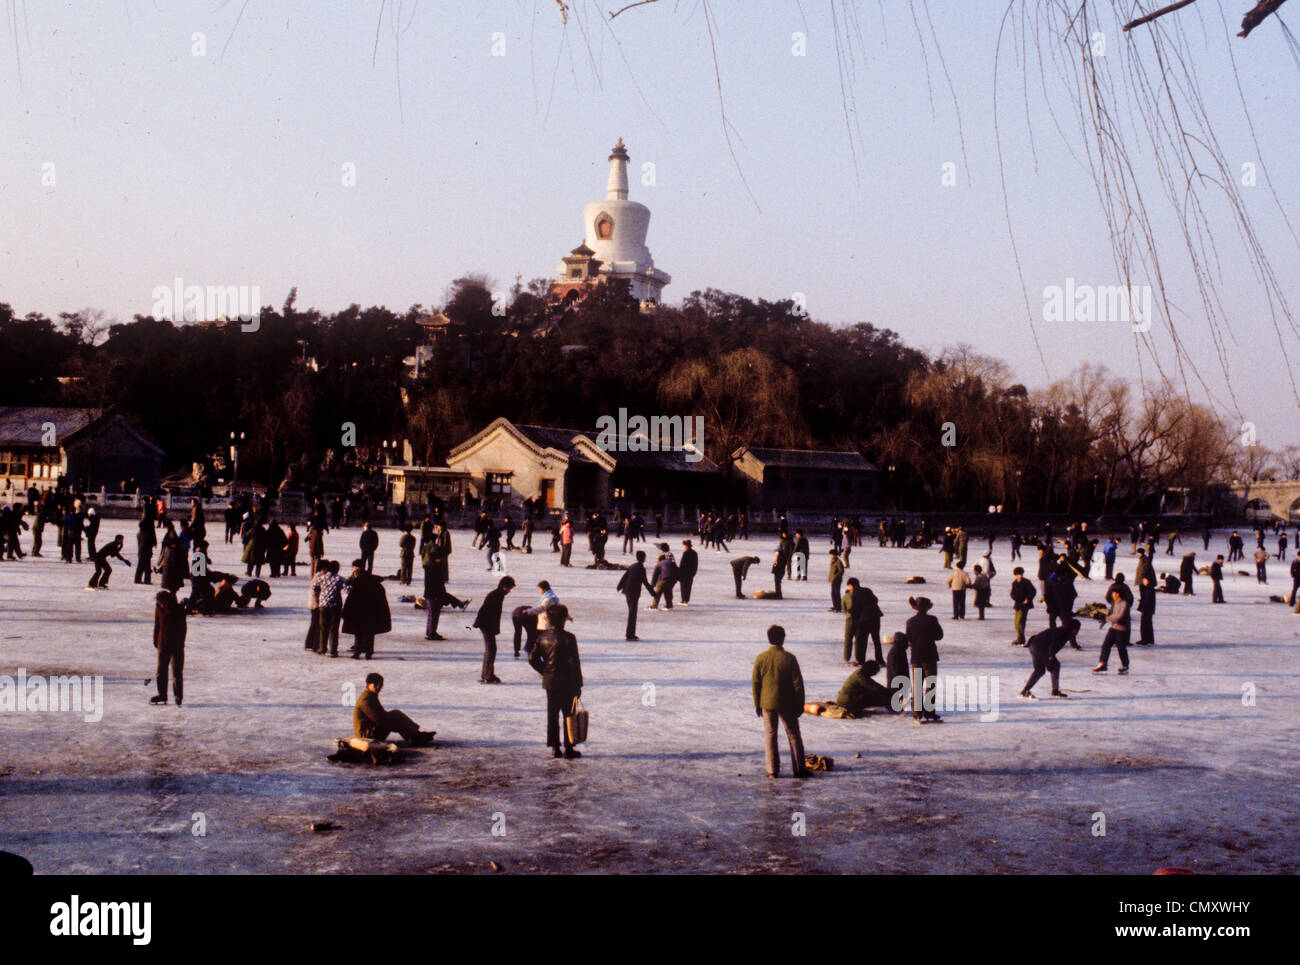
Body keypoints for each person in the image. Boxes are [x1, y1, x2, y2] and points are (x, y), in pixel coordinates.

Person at [751, 625, 809, 778]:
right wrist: (800, 704)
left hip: (767, 703)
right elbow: (798, 684)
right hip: (787, 703)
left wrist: (757, 704)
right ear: (783, 638)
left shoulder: (761, 658)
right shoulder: (789, 658)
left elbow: (756, 683)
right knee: (793, 735)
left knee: (770, 735)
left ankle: (772, 770)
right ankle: (799, 768)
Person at [528, 604, 584, 759]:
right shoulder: (569, 638)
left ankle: (554, 747)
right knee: (569, 715)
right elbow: (574, 663)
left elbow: (532, 658)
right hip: (567, 682)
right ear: (563, 620)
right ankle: (569, 747)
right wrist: (578, 684)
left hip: (550, 682)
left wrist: (544, 671)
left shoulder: (542, 637)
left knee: (552, 715)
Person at [353, 673, 436, 745]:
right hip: (366, 736)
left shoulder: (371, 695)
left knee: (395, 716)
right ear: (368, 684)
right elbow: (378, 719)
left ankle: (416, 736)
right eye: (375, 685)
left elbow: (380, 716)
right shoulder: (366, 699)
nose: (378, 687)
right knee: (395, 716)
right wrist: (397, 724)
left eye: (380, 685)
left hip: (371, 730)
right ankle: (416, 736)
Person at [1019, 619, 1081, 699]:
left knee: (1040, 670)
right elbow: (1053, 643)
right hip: (1039, 647)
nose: (1077, 632)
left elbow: (1069, 641)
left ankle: (1026, 690)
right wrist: (1049, 658)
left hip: (1034, 644)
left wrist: (1076, 646)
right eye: (1077, 630)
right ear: (1073, 629)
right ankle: (1055, 691)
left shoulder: (1065, 631)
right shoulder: (1063, 633)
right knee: (1054, 665)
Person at [342, 559, 391, 659]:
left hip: (359, 612)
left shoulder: (356, 583)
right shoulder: (374, 582)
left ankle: (357, 653)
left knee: (358, 632)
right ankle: (369, 653)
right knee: (370, 633)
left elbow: (351, 599)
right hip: (372, 613)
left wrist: (345, 612)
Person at [905, 597, 943, 723]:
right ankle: (929, 711)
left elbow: (908, 639)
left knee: (917, 686)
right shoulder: (932, 620)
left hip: (916, 656)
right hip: (930, 656)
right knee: (931, 685)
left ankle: (917, 713)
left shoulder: (910, 621)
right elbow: (939, 636)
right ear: (927, 608)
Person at [473, 576, 515, 684]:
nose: (509, 591)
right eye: (509, 588)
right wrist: (489, 627)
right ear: (504, 587)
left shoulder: (498, 594)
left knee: (491, 650)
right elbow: (487, 612)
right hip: (486, 625)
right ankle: (487, 675)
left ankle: (487, 674)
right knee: (491, 650)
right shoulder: (496, 595)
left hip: (487, 625)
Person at [150, 589, 187, 706]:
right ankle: (162, 695)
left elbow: (183, 629)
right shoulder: (158, 609)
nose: (160, 604)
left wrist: (180, 643)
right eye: (159, 602)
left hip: (176, 646)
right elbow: (157, 625)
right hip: (163, 644)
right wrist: (156, 640)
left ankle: (178, 696)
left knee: (177, 672)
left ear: (167, 600)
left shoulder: (179, 610)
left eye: (162, 602)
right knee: (161, 671)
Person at [1093, 574, 1132, 675]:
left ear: (1118, 593)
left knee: (1121, 647)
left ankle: (1125, 665)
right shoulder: (1114, 602)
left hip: (1123, 629)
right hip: (1114, 628)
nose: (1112, 595)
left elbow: (1119, 617)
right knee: (1106, 644)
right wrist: (1103, 619)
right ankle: (1103, 664)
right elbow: (1112, 614)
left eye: (1113, 593)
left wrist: (1106, 618)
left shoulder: (1125, 604)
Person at [616, 550, 653, 640]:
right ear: (643, 558)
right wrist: (653, 593)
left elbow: (625, 577)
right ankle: (630, 635)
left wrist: (619, 586)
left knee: (631, 613)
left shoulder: (633, 566)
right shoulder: (641, 568)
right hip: (633, 592)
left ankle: (630, 634)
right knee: (632, 614)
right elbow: (645, 582)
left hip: (627, 591)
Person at [315, 561, 345, 656]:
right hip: (335, 605)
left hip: (323, 605)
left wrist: (320, 596)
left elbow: (314, 587)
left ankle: (322, 648)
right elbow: (348, 589)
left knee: (323, 627)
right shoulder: (339, 579)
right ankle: (333, 650)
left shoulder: (322, 577)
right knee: (334, 628)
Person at [1009, 566, 1036, 646]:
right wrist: (1015, 598)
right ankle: (1020, 638)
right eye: (1018, 574)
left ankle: (1021, 639)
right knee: (1016, 623)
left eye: (1020, 574)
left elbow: (1033, 591)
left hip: (1024, 605)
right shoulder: (1014, 583)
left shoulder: (1027, 582)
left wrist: (1028, 599)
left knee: (1020, 622)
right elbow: (1012, 593)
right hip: (1018, 604)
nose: (1019, 576)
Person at [135, 514, 157, 584]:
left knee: (140, 567)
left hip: (140, 552)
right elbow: (151, 543)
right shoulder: (147, 534)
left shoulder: (139, 534)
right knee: (147, 568)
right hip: (146, 553)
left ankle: (137, 579)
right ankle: (147, 580)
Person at [1136, 573, 1156, 646]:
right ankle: (1149, 639)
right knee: (1148, 625)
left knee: (1145, 625)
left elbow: (1146, 600)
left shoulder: (1149, 589)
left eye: (1144, 580)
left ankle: (1145, 639)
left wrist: (1142, 608)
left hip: (1146, 610)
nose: (1143, 581)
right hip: (1148, 610)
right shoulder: (1149, 588)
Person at [678, 540, 699, 605]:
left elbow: (682, 563)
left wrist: (679, 572)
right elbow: (696, 563)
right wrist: (694, 572)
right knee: (689, 586)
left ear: (686, 546)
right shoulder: (695, 553)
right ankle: (687, 599)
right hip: (691, 572)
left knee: (683, 586)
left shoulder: (686, 553)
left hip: (684, 572)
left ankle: (683, 599)